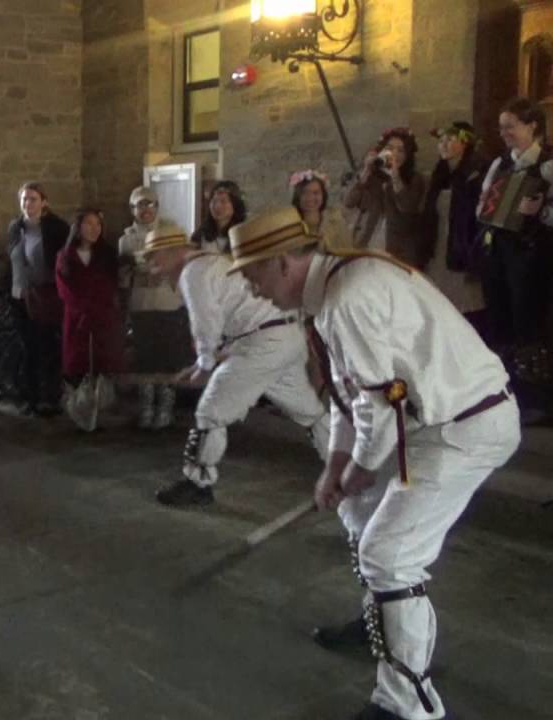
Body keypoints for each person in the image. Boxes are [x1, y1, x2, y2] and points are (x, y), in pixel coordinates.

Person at [229, 206, 520, 720]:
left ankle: (409, 703)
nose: (253, 290)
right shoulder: (333, 294)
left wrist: (359, 465)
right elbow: (354, 397)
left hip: (464, 427)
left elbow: (380, 406)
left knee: (388, 554)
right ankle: (384, 619)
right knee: (359, 509)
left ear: (281, 263)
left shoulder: (347, 299)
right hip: (429, 424)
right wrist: (336, 468)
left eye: (252, 275)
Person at [141, 216, 329, 506]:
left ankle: (197, 483)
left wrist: (205, 364)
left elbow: (205, 322)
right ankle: (347, 464)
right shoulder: (208, 263)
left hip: (262, 342)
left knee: (211, 410)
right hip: (283, 336)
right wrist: (207, 360)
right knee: (309, 411)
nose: (153, 265)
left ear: (170, 251)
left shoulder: (194, 272)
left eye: (155, 257)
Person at [477, 98, 553, 424]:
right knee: (501, 320)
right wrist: (487, 208)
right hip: (500, 253)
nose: (504, 132)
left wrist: (541, 213)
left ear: (532, 125)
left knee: (530, 324)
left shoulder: (549, 164)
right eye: (501, 127)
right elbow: (483, 204)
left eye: (510, 126)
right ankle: (505, 392)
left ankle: (535, 400)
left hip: (534, 255)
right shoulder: (500, 164)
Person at [118, 186, 187, 429]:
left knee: (168, 358)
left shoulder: (172, 232)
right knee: (145, 359)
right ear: (132, 209)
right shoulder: (126, 239)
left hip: (168, 304)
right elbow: (122, 277)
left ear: (157, 206)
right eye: (139, 205)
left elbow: (183, 267)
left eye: (150, 204)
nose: (145, 209)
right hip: (141, 305)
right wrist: (133, 275)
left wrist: (166, 274)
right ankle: (147, 407)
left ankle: (166, 407)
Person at [56, 208, 122, 431]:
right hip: (77, 319)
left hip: (101, 317)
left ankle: (97, 411)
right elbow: (65, 289)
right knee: (78, 363)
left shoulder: (107, 254)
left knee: (100, 364)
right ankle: (80, 410)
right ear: (78, 227)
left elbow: (110, 285)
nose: (94, 229)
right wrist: (83, 308)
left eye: (98, 224)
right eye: (89, 224)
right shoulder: (66, 256)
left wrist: (98, 307)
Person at [8, 182, 70, 416]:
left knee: (49, 347)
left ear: (44, 202)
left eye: (33, 199)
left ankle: (51, 397)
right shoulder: (15, 227)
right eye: (24, 199)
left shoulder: (56, 228)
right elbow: (13, 260)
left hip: (46, 296)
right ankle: (30, 397)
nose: (28, 204)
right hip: (20, 297)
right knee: (27, 349)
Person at [423, 122, 489, 338]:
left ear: (465, 143)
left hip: (462, 247)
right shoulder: (439, 174)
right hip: (440, 247)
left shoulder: (476, 173)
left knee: (466, 310)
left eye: (450, 139)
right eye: (441, 141)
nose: (443, 144)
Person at [345, 127, 429, 267]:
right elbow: (349, 201)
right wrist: (366, 170)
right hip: (367, 245)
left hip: (398, 252)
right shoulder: (372, 175)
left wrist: (396, 178)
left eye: (400, 150)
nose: (394, 153)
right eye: (390, 148)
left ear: (407, 155)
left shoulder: (415, 179)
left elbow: (407, 207)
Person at [292, 169, 353, 250]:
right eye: (305, 193)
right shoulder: (292, 228)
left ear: (323, 196)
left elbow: (348, 249)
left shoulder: (336, 220)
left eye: (316, 193)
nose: (310, 198)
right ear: (298, 197)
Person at [191, 180, 247, 253]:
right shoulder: (200, 234)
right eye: (214, 201)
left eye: (223, 201)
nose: (217, 206)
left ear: (235, 205)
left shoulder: (243, 235)